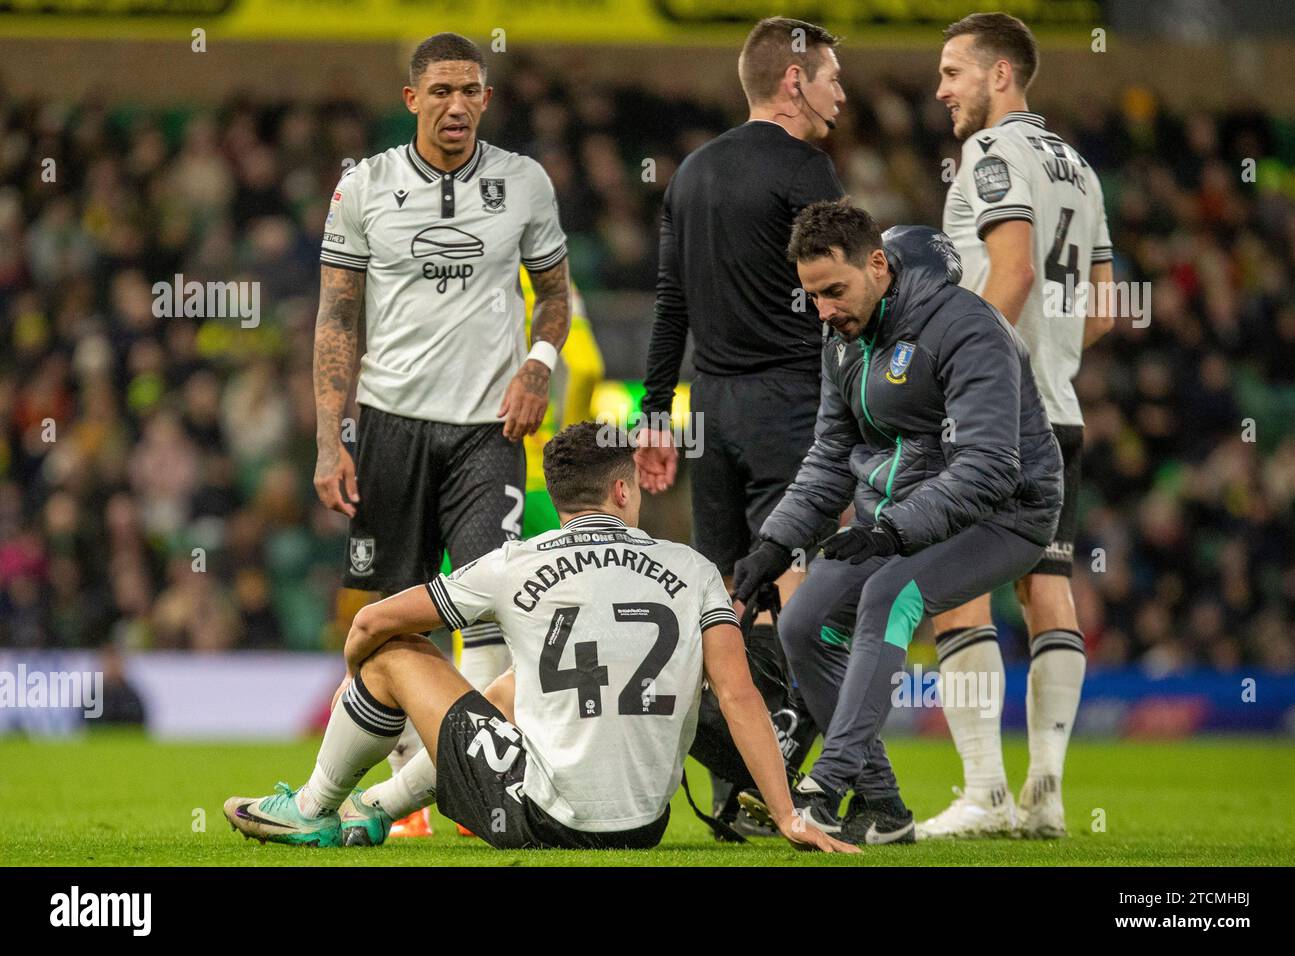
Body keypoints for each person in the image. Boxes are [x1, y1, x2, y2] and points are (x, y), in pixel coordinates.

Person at [223, 422, 856, 855]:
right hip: (643, 828)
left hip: (544, 817)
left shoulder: (514, 563)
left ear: (556, 499)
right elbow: (739, 694)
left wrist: (353, 682)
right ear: (621, 488)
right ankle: (377, 809)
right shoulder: (691, 570)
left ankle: (312, 807)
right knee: (511, 686)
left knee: (391, 655)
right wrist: (785, 815)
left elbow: (370, 622)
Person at [731, 200, 1063, 843]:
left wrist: (892, 531)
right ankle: (883, 807)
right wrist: (774, 544)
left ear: (877, 264)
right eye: (813, 296)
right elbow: (830, 456)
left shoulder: (968, 328)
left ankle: (826, 788)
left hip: (1010, 515)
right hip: (903, 518)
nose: (824, 311)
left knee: (891, 593)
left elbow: (993, 465)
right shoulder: (844, 341)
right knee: (803, 622)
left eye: (834, 291)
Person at [311, 33, 570, 834]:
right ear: (412, 100)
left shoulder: (524, 183)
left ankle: (462, 788)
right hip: (389, 426)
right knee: (387, 612)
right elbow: (336, 320)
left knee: (491, 605)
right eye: (442, 91)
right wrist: (331, 437)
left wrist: (537, 364)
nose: (457, 105)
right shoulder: (364, 187)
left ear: (487, 98)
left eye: (471, 91)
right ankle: (406, 783)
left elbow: (556, 296)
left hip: (487, 430)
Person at [636, 14, 846, 828]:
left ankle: (737, 783)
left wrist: (656, 415)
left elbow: (670, 304)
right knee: (807, 595)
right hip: (792, 406)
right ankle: (799, 776)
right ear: (792, 80)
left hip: (709, 413)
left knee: (729, 602)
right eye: (831, 76)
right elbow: (842, 298)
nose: (840, 91)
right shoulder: (806, 168)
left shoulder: (690, 172)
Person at [924, 12, 1114, 839]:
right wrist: (1052, 354)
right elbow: (1103, 307)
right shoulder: (1079, 166)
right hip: (1060, 409)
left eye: (953, 72)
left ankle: (984, 795)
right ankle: (1048, 795)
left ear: (1001, 75)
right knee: (1048, 587)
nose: (941, 90)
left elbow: (1013, 270)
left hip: (993, 414)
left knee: (956, 592)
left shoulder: (991, 153)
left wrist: (963, 373)